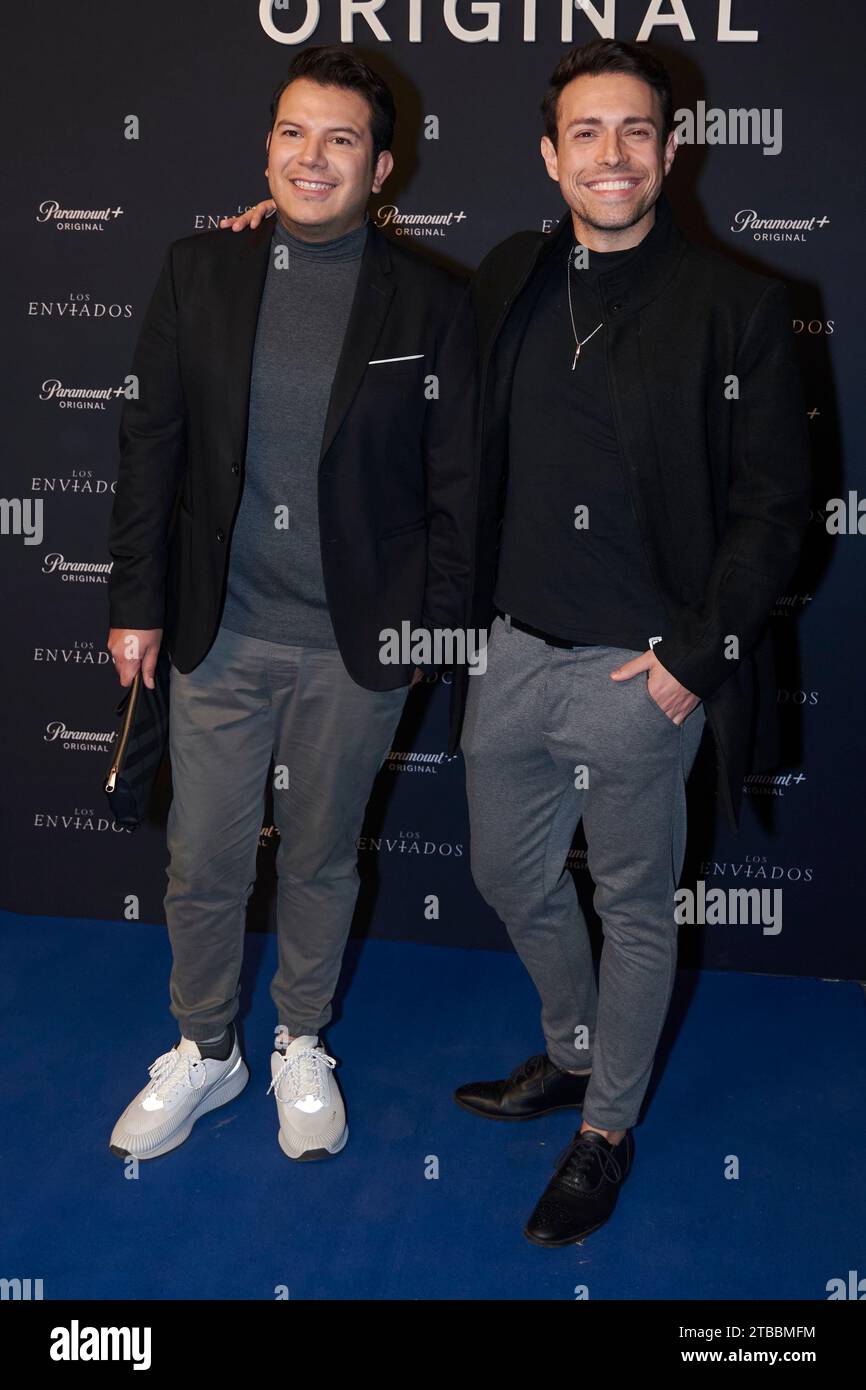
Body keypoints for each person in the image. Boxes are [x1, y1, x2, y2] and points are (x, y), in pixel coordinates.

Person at [228, 37, 811, 1247]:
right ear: (550, 157)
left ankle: (602, 1129)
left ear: (668, 149)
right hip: (507, 656)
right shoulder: (504, 277)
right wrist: (276, 251)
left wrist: (686, 665)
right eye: (586, 134)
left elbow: (772, 508)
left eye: (635, 132)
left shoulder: (740, 307)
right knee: (509, 876)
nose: (611, 154)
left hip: (638, 672)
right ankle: (572, 1046)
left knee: (639, 908)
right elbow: (375, 313)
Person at [105, 45, 475, 1164]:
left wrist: (438, 626)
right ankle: (205, 1048)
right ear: (268, 145)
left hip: (355, 644)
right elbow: (149, 445)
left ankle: (299, 1041)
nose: (312, 157)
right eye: (293, 133)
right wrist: (135, 601)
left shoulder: (434, 300)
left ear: (383, 165)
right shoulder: (196, 272)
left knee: (319, 857)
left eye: (341, 139)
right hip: (219, 630)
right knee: (202, 861)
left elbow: (458, 479)